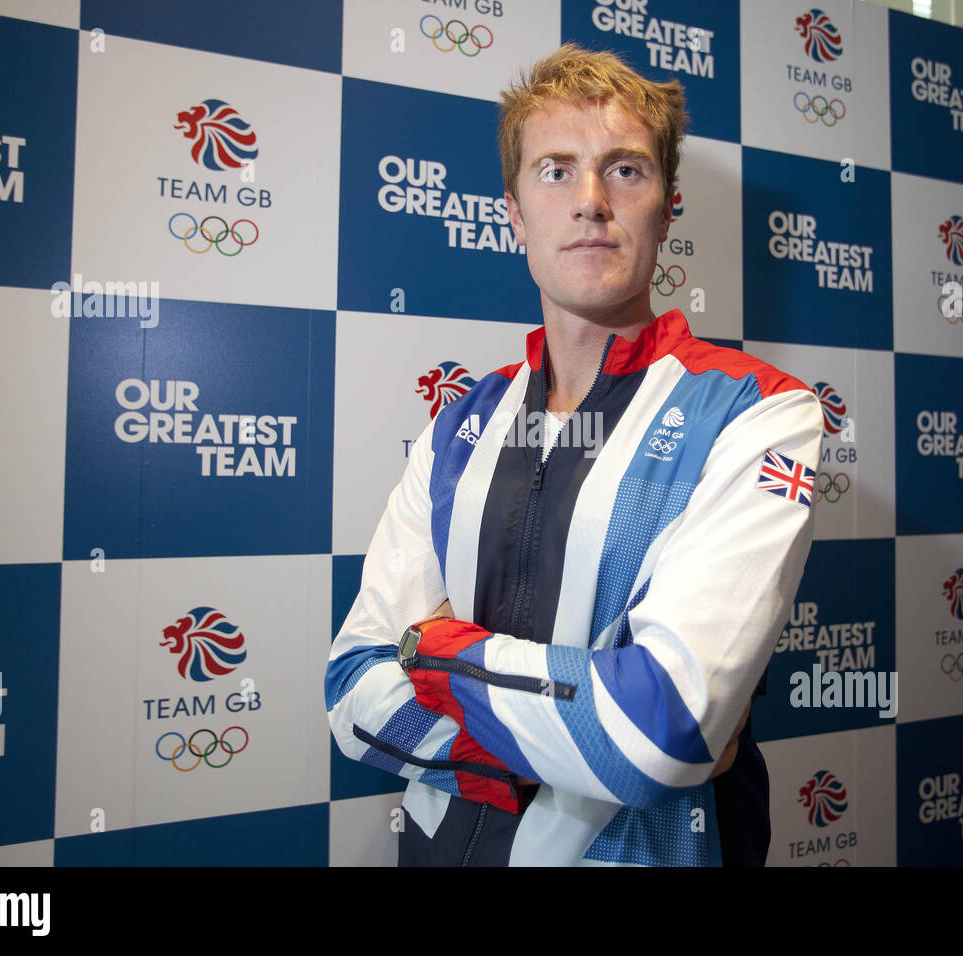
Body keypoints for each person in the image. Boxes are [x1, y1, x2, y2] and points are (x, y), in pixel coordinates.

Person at [325, 43, 823, 866]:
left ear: (667, 208)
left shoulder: (758, 411)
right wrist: (583, 724)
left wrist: (429, 652)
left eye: (625, 170)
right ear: (515, 213)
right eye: (555, 170)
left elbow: (659, 731)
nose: (590, 201)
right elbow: (351, 692)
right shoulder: (461, 426)